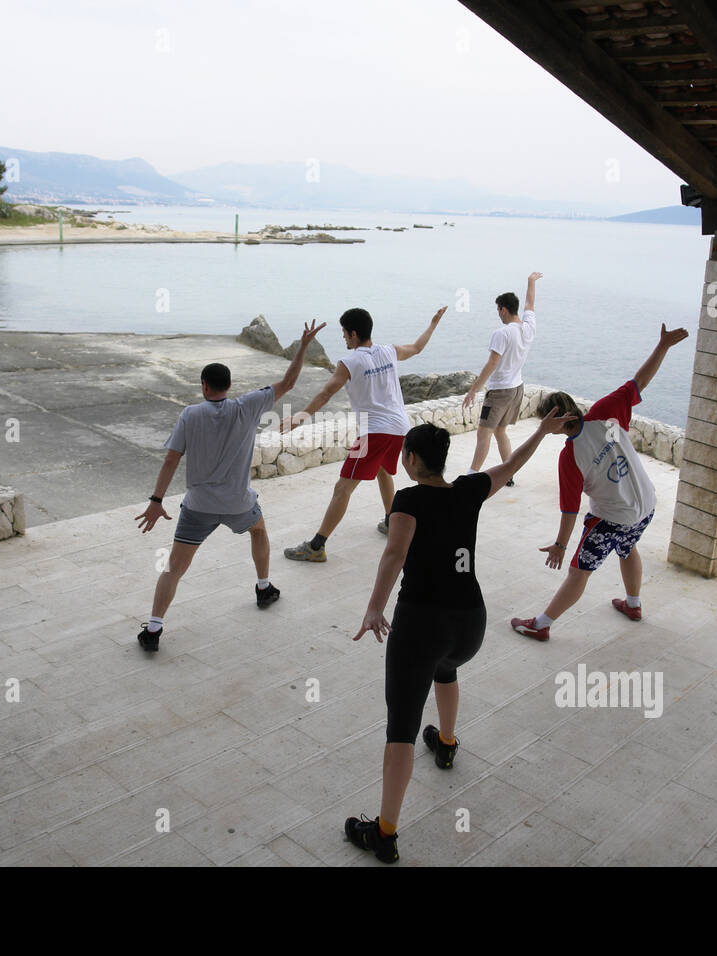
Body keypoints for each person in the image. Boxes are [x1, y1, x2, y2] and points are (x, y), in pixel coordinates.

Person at [345, 406, 575, 863]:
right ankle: (447, 744)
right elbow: (510, 466)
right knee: (446, 671)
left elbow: (394, 554)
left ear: (409, 459)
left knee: (401, 729)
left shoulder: (407, 501)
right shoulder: (468, 490)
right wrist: (543, 433)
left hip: (421, 626)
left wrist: (374, 608)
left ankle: (385, 832)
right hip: (470, 623)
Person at [133, 320, 325, 652]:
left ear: (205, 386)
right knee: (259, 531)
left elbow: (170, 460)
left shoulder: (190, 415)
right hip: (239, 504)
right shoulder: (248, 405)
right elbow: (290, 382)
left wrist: (156, 500)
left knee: (174, 568)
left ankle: (153, 629)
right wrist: (304, 345)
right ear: (229, 385)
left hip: (198, 507)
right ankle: (263, 588)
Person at [512, 323, 689, 641]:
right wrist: (662, 345)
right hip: (646, 506)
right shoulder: (605, 411)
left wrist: (561, 546)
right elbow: (640, 382)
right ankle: (633, 605)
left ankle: (540, 625)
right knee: (628, 547)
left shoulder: (570, 456)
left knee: (579, 571)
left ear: (553, 420)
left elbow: (570, 510)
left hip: (613, 518)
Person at [283, 305, 447, 562]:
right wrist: (433, 323)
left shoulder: (349, 362)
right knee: (383, 471)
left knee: (343, 487)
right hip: (402, 430)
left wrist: (299, 417)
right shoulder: (389, 351)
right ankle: (391, 522)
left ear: (354, 334)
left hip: (374, 434)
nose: (343, 338)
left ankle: (316, 546)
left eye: (345, 333)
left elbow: (327, 393)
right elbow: (417, 348)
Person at [462, 272, 542, 484]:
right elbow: (530, 302)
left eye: (498, 309)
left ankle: (470, 477)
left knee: (484, 433)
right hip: (517, 388)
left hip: (499, 391)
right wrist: (531, 281)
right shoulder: (528, 328)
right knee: (499, 431)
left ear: (504, 310)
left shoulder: (503, 333)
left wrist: (473, 390)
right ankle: (509, 473)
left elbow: (492, 364)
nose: (498, 314)